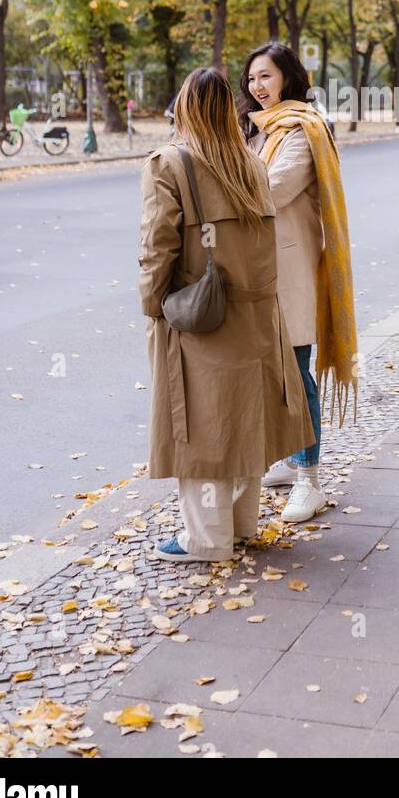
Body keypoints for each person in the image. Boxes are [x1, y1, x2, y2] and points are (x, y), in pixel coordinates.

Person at [139, 66, 316, 562]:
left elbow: (157, 249)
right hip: (256, 313)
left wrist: (154, 308)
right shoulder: (253, 161)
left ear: (186, 108)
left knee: (201, 428)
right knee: (244, 423)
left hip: (201, 316)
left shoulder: (169, 164)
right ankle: (239, 527)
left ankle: (205, 540)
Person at [239, 42, 358, 524]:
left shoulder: (303, 130)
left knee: (296, 371)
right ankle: (291, 461)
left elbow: (272, 188)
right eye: (250, 79)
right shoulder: (259, 131)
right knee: (272, 372)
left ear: (288, 77)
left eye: (265, 77)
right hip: (260, 270)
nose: (257, 87)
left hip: (292, 271)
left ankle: (310, 480)